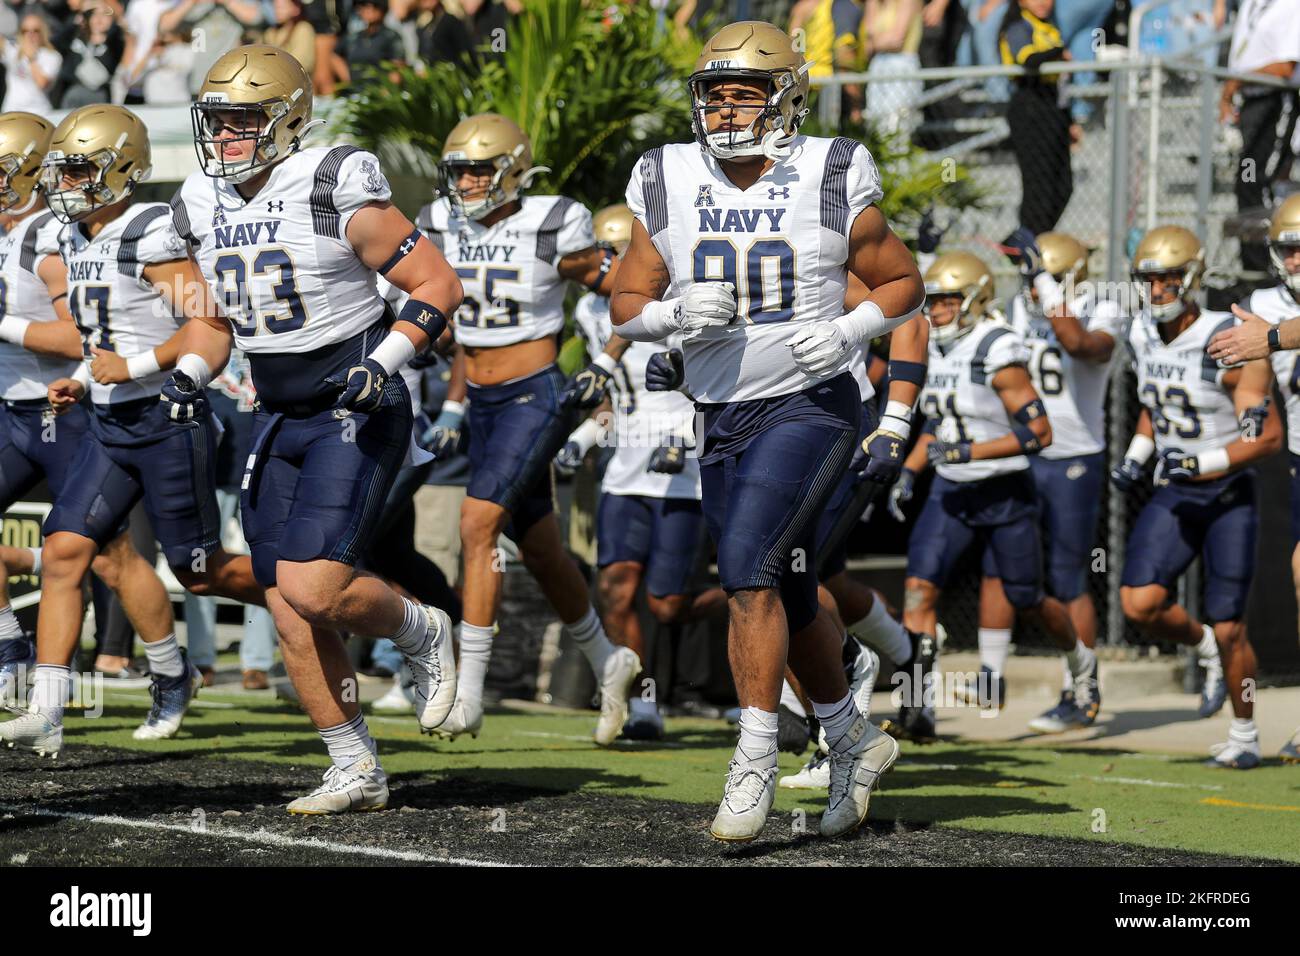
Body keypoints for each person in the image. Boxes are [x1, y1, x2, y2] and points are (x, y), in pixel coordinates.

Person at [611, 21, 925, 841]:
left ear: (787, 96)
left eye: (744, 91)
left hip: (815, 402)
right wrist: (670, 315)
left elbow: (902, 282)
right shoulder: (665, 173)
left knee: (748, 566)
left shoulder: (832, 166)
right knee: (784, 582)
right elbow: (624, 302)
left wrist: (854, 332)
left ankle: (753, 756)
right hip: (721, 413)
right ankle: (852, 737)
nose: (724, 109)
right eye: (713, 93)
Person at [171, 45, 462, 812]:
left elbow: (436, 282)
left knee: (314, 584)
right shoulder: (198, 200)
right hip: (278, 410)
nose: (228, 137)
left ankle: (422, 628)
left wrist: (391, 361)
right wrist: (189, 374)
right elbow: (210, 321)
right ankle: (355, 766)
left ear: (287, 120)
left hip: (354, 401)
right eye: (219, 122)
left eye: (244, 121)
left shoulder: (331, 180)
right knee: (284, 603)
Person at [0, 105, 267, 756]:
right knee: (66, 550)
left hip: (168, 420)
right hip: (108, 417)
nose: (64, 183)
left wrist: (134, 367)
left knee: (199, 572)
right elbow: (100, 340)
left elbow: (209, 326)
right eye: (60, 170)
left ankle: (316, 596)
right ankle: (48, 706)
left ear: (121, 168)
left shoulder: (148, 230)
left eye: (79, 169)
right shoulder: (73, 237)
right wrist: (88, 380)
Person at [415, 113, 641, 746]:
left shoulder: (550, 223)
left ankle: (469, 692)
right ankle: (608, 661)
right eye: (457, 171)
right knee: (539, 547)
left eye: (479, 170)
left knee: (476, 522)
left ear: (513, 170)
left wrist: (604, 361)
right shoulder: (439, 226)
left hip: (535, 394)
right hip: (483, 400)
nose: (464, 184)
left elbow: (634, 289)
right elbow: (459, 330)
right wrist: (455, 399)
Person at [887, 250, 1102, 738]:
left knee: (1029, 596)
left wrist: (973, 452)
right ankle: (917, 706)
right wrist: (910, 472)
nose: (936, 311)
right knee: (919, 590)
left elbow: (1038, 434)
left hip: (1004, 488)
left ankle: (1082, 666)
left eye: (947, 302)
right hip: (951, 491)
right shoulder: (928, 344)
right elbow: (937, 427)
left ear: (976, 299)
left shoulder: (997, 347)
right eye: (932, 301)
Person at [555, 203, 727, 742]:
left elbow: (723, 382)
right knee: (616, 588)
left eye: (617, 254)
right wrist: (584, 437)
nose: (609, 266)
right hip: (625, 466)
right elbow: (607, 399)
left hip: (685, 465)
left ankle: (762, 587)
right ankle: (644, 703)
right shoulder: (590, 311)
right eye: (607, 254)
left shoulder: (687, 298)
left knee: (667, 603)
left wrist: (684, 439)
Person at [1115, 225, 1280, 769]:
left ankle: (1245, 732)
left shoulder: (1226, 338)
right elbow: (1154, 402)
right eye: (1148, 280)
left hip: (1227, 492)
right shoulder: (1140, 331)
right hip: (1177, 489)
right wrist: (1139, 454)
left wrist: (1204, 460)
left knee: (1234, 626)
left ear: (1192, 279)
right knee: (1138, 602)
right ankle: (1203, 647)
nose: (1157, 291)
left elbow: (1266, 434)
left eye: (1167, 280)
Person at [983, 231, 1121, 732]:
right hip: (1023, 455)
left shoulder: (1102, 305)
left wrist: (1044, 281)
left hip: (1072, 460)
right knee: (1000, 563)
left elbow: (1080, 344)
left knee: (1067, 579)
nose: (1028, 282)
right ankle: (988, 680)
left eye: (1036, 272)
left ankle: (1082, 690)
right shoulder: (1020, 307)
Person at [1207, 197, 1300, 764]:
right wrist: (1248, 412)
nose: (1296, 259)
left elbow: (1267, 343)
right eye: (1288, 248)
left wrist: (1268, 339)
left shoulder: (1271, 322)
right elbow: (1254, 380)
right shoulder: (1265, 303)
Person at [1220, 0, 1300, 275]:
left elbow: (1285, 66)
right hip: (1253, 101)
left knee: (1264, 182)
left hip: (1276, 99)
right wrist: (1232, 91)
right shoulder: (1250, 5)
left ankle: (1271, 270)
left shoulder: (1291, 5)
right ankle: (1253, 270)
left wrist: (1237, 81)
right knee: (1247, 182)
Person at [999, 0, 1078, 253]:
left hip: (1053, 107)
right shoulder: (1018, 26)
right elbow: (1029, 60)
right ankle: (1027, 251)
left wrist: (1070, 120)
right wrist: (1060, 51)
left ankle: (1032, 244)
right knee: (1038, 190)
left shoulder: (1050, 28)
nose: (1044, 2)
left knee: (1063, 186)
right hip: (1029, 107)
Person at [51, 3, 124, 108]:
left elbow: (120, 47)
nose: (99, 18)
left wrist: (111, 27)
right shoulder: (77, 37)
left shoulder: (113, 41)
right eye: (94, 14)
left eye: (105, 14)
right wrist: (78, 20)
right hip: (73, 92)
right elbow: (56, 42)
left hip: (99, 95)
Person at [337, 0, 406, 94]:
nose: (369, 8)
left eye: (375, 5)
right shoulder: (353, 38)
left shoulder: (391, 37)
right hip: (353, 94)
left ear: (383, 9)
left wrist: (386, 92)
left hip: (378, 96)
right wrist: (347, 78)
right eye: (363, 4)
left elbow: (398, 68)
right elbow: (335, 55)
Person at [0, 14, 62, 113]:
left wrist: (31, 58)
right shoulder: (13, 50)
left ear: (43, 32)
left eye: (35, 30)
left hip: (39, 112)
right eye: (25, 31)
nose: (30, 34)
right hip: (11, 110)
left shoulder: (52, 56)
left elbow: (42, 83)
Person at [264, 0, 318, 76]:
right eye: (275, 7)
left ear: (296, 9)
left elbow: (301, 62)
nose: (277, 11)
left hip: (297, 80)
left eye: (281, 7)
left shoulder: (303, 28)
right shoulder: (270, 32)